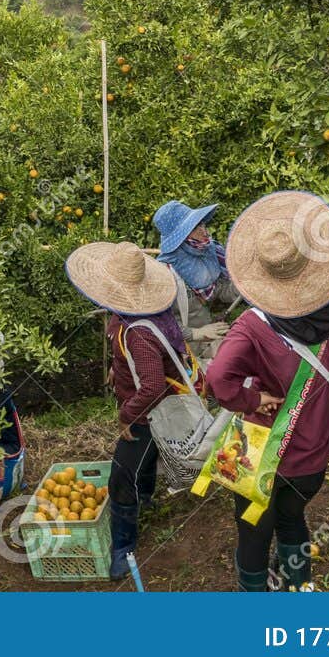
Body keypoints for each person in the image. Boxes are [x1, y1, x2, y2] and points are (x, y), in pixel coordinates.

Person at [205, 191, 329, 592]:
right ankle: (299, 589)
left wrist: (254, 399)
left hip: (257, 448)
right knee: (293, 518)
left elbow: (219, 380)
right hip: (313, 450)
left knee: (253, 533)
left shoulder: (252, 325)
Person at [66, 240, 198, 581]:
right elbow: (138, 358)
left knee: (121, 477)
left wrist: (128, 415)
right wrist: (118, 366)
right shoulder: (133, 315)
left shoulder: (138, 332)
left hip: (150, 409)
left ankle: (124, 548)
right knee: (145, 456)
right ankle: (148, 497)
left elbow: (152, 386)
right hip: (152, 405)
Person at [153, 199, 235, 330]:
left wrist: (245, 284)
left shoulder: (210, 251)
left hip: (211, 337)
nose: (204, 232)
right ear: (182, 237)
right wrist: (196, 334)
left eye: (202, 224)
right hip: (185, 346)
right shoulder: (164, 272)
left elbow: (221, 290)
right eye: (195, 228)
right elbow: (160, 323)